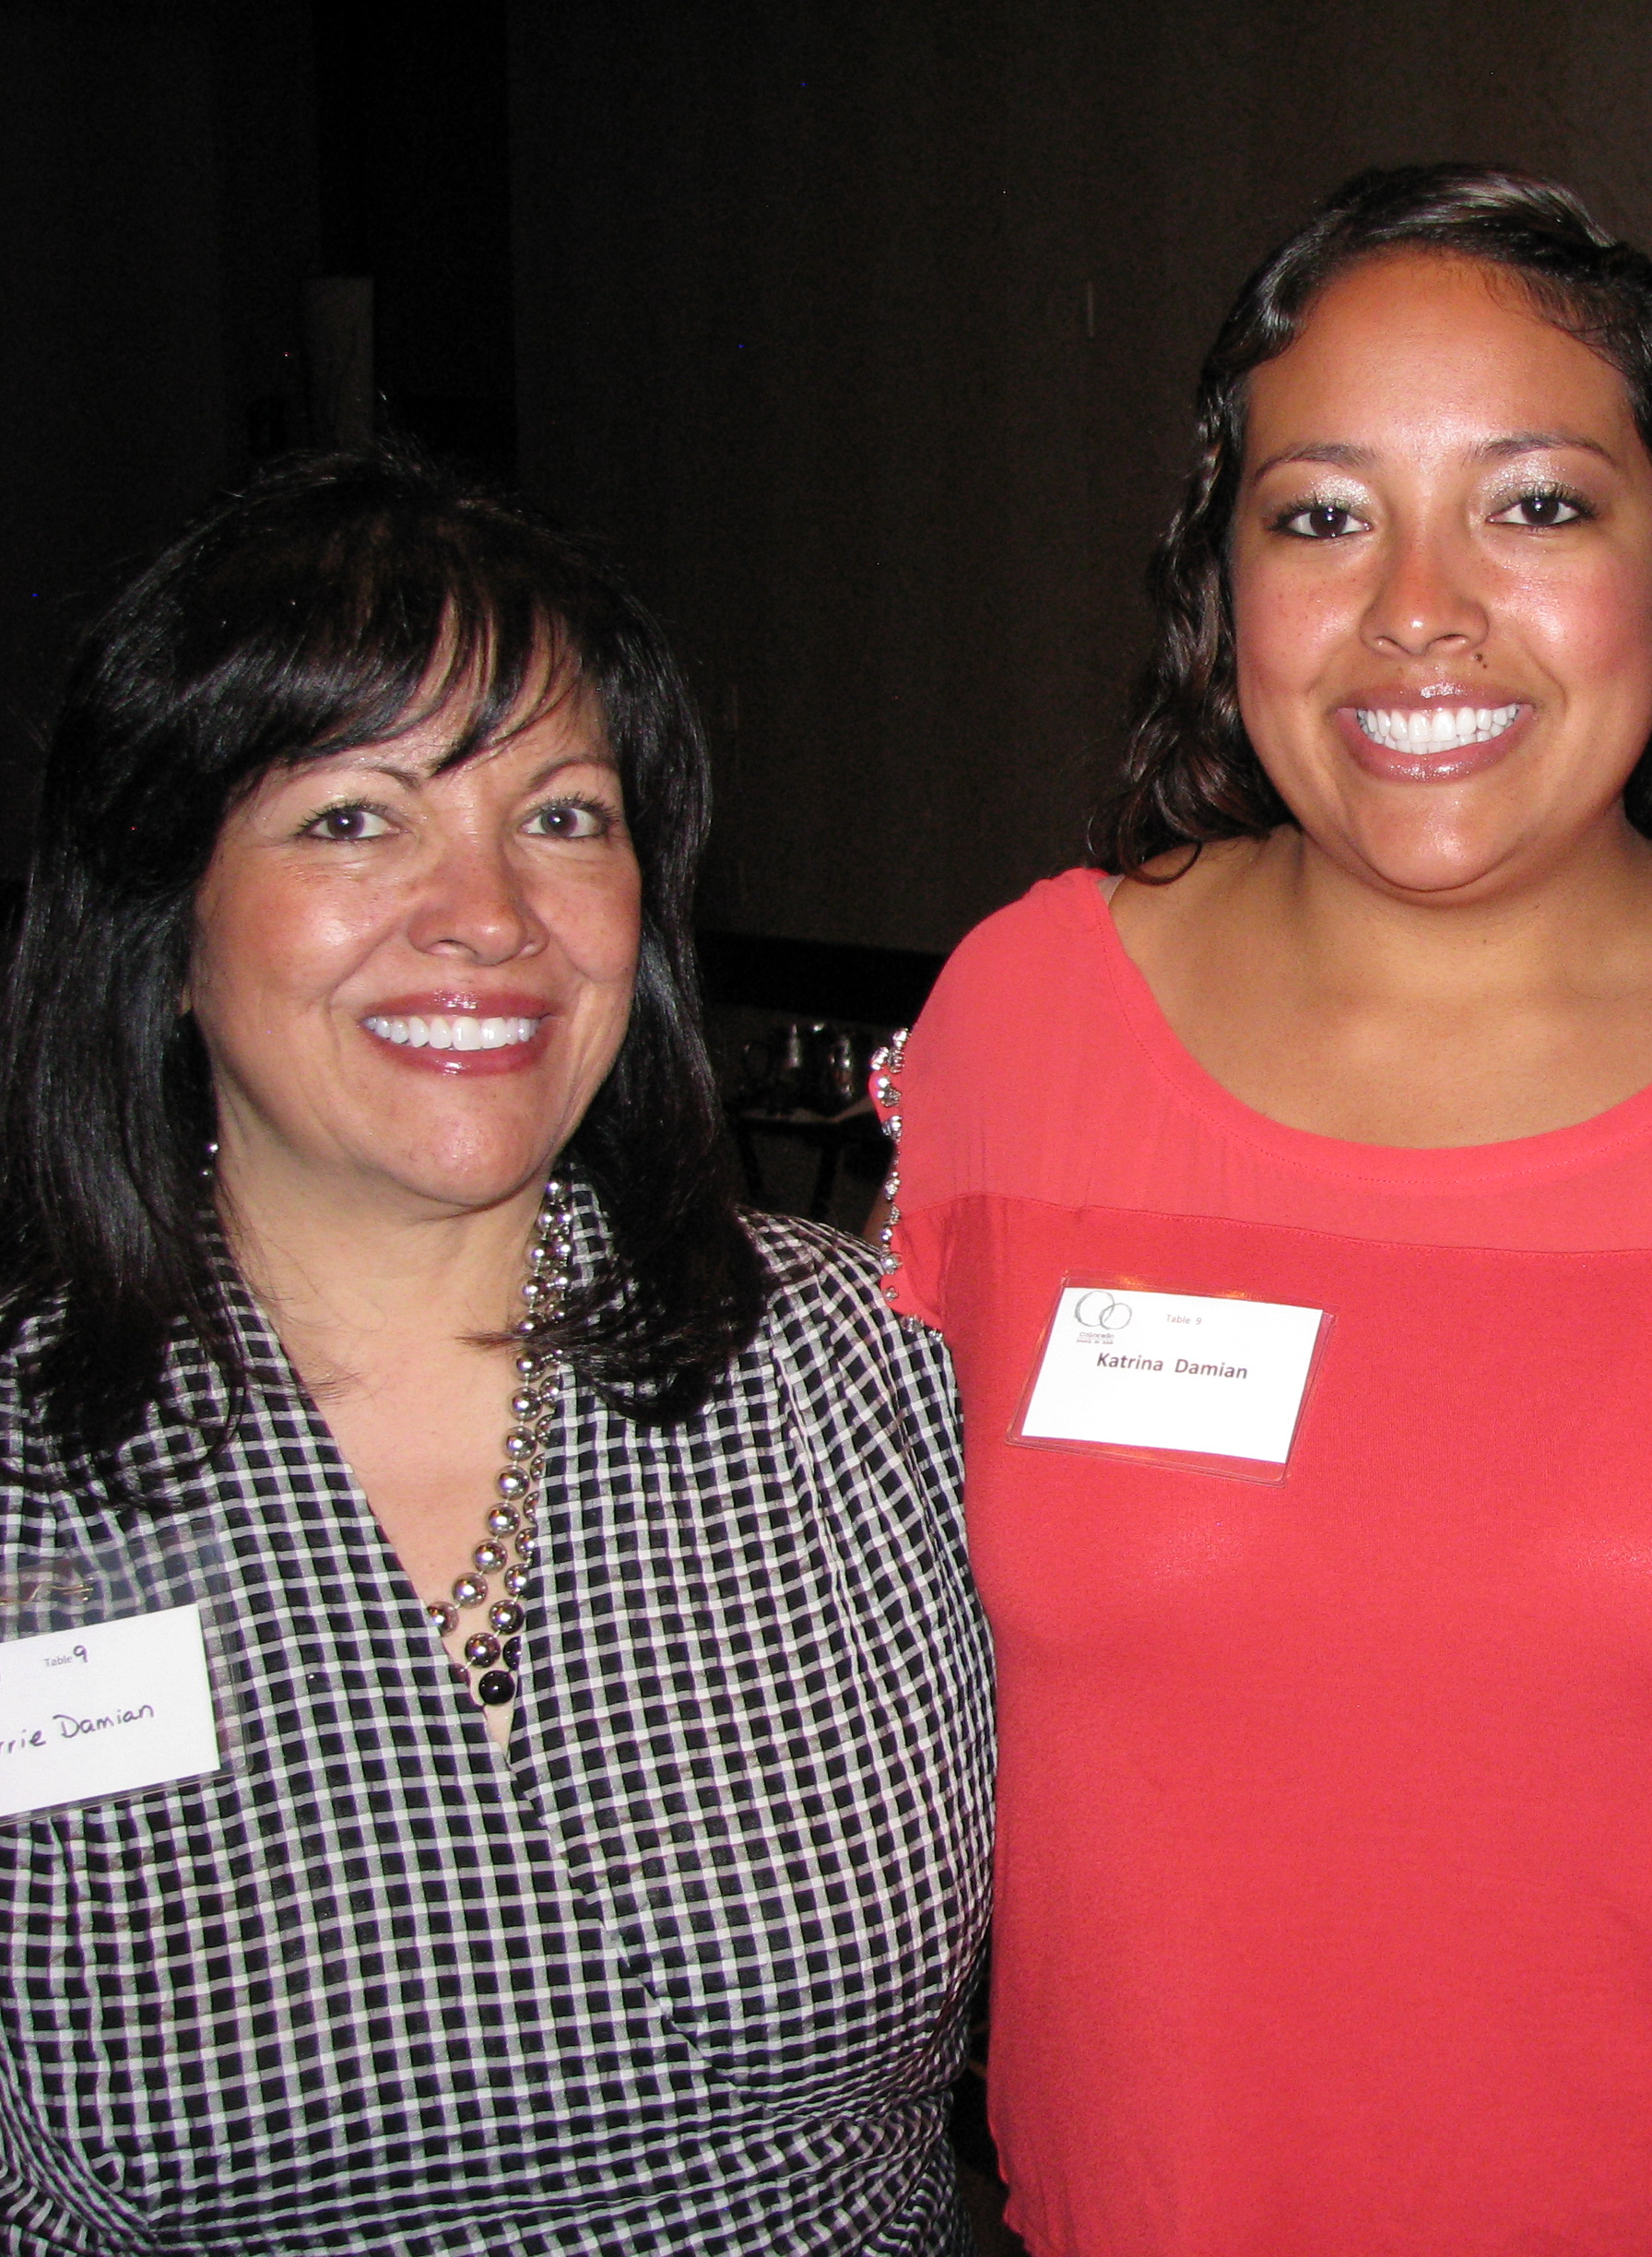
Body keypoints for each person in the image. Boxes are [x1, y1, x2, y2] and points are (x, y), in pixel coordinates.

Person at [874, 164, 1652, 2256]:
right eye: (1322, 515)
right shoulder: (1018, 1021)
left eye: (1535, 505)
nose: (1418, 610)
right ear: (1220, 586)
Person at [0, 450, 994, 2254]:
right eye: (354, 818)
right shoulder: (21, 1490)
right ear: (163, 928)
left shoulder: (868, 1372)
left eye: (561, 816)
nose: (489, 916)